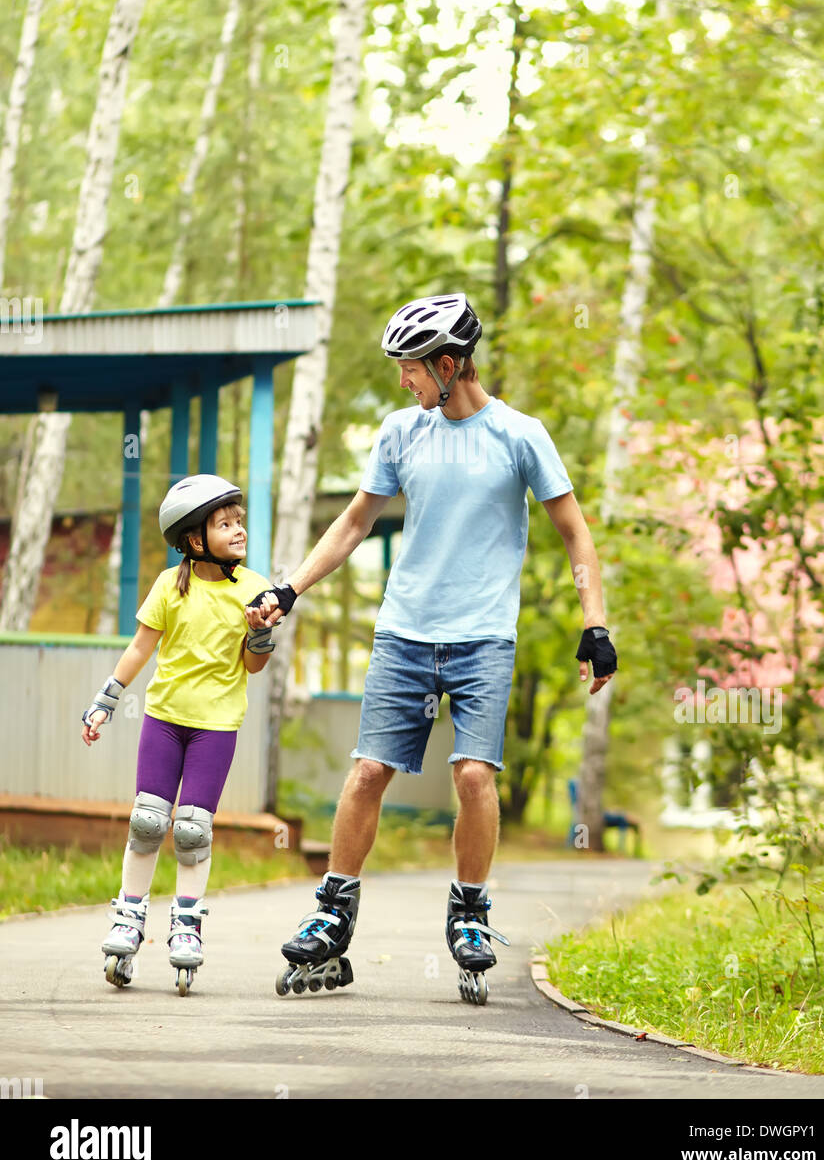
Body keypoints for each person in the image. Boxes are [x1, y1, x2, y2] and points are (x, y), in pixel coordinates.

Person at [246, 293, 618, 1004]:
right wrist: (289, 588)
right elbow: (354, 525)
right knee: (368, 772)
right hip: (406, 631)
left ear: (449, 365)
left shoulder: (519, 435)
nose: (403, 383)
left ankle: (471, 913)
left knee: (475, 776)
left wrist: (594, 623)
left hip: (483, 637)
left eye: (411, 369)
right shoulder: (400, 432)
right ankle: (332, 912)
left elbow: (575, 533)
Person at [81, 475, 276, 994]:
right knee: (147, 822)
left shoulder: (255, 589)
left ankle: (186, 928)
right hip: (163, 719)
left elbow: (254, 667)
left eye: (239, 522)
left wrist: (261, 632)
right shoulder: (171, 584)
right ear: (194, 538)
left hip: (216, 727)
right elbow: (141, 648)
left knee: (192, 830)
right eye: (225, 524)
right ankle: (128, 918)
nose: (238, 530)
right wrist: (106, 700)